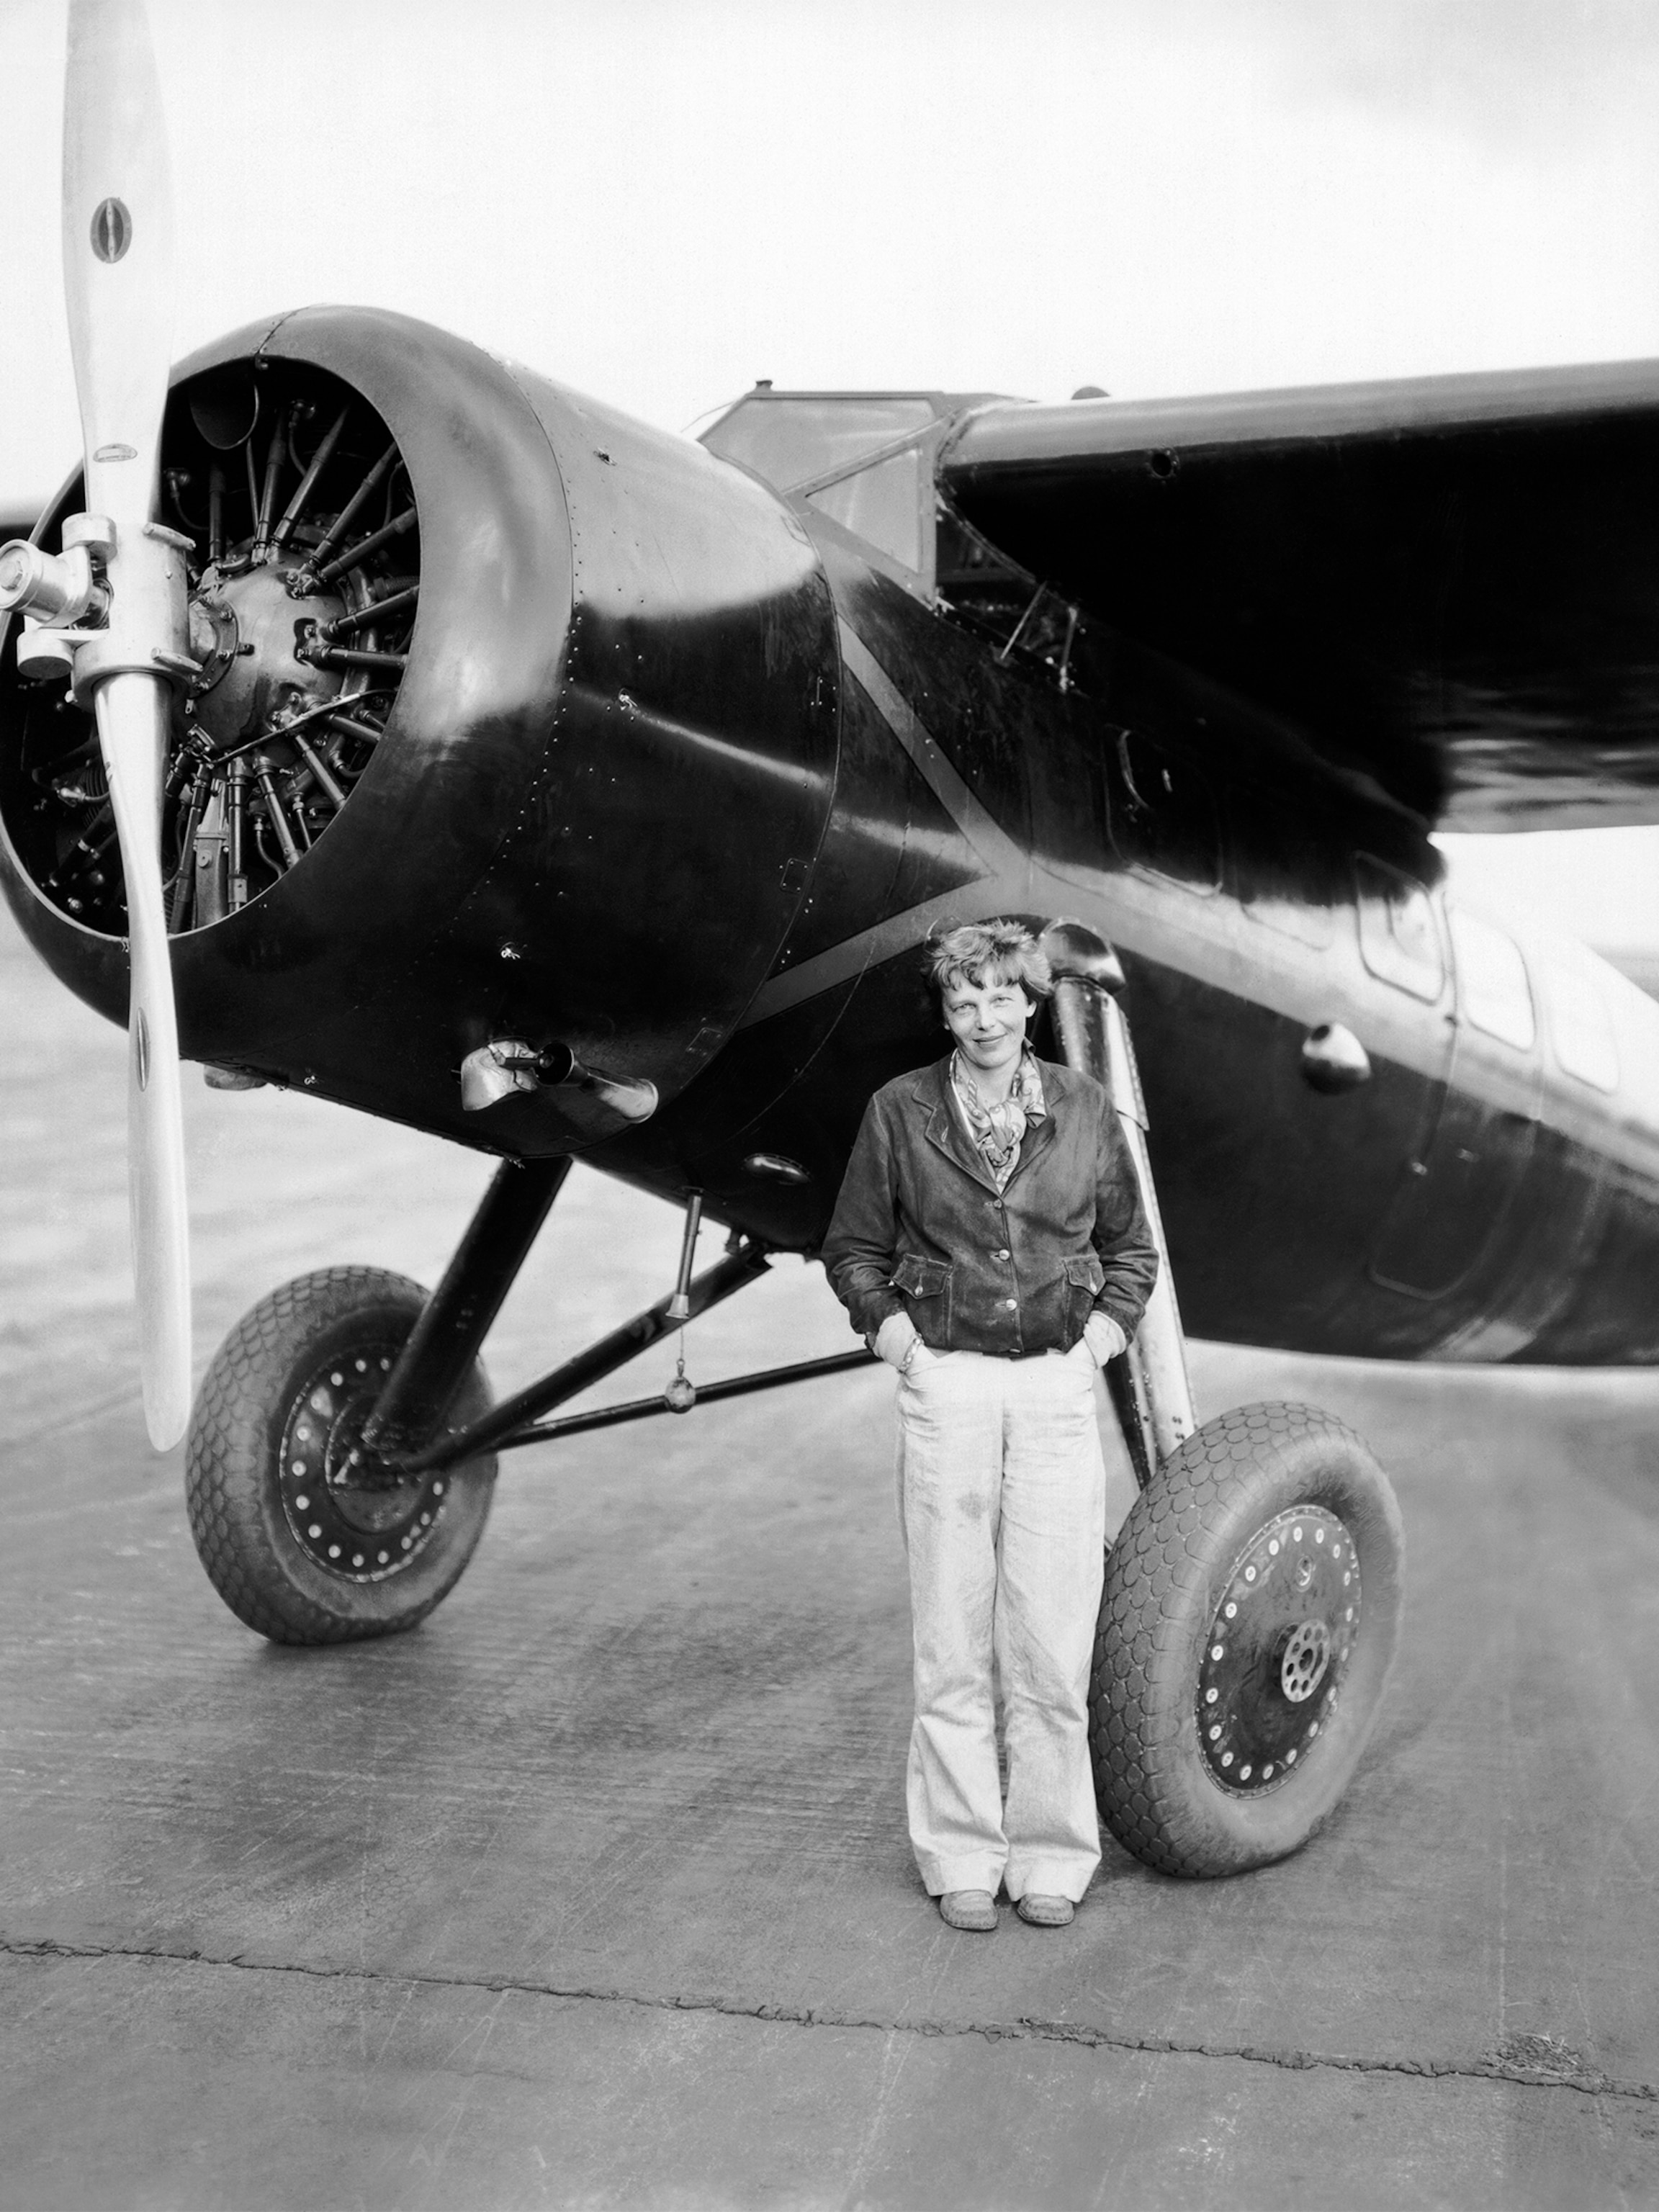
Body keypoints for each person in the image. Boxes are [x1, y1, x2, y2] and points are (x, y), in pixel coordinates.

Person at [822, 920, 1158, 1932]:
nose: (983, 1019)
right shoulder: (901, 1111)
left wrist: (1091, 1351)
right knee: (953, 1640)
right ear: (947, 1013)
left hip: (1054, 1390)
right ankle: (962, 1854)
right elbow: (851, 1249)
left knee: (1052, 1642)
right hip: (949, 1388)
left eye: (1001, 999)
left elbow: (1133, 1252)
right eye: (962, 1003)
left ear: (1029, 1002)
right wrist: (904, 1351)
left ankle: (1052, 1853)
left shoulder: (1085, 1108)